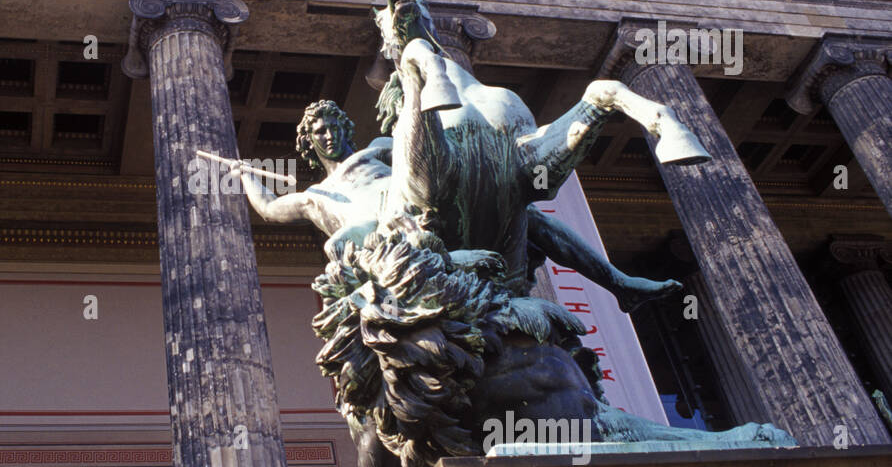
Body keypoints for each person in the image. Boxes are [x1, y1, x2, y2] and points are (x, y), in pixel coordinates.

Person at [231, 99, 678, 311]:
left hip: (413, 206)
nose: (329, 135)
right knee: (348, 242)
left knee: (525, 212)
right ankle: (447, 262)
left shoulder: (379, 147)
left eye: (334, 125)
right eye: (320, 133)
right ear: (309, 146)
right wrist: (248, 175)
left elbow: (434, 154)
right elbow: (269, 210)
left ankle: (618, 282)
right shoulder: (314, 198)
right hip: (378, 240)